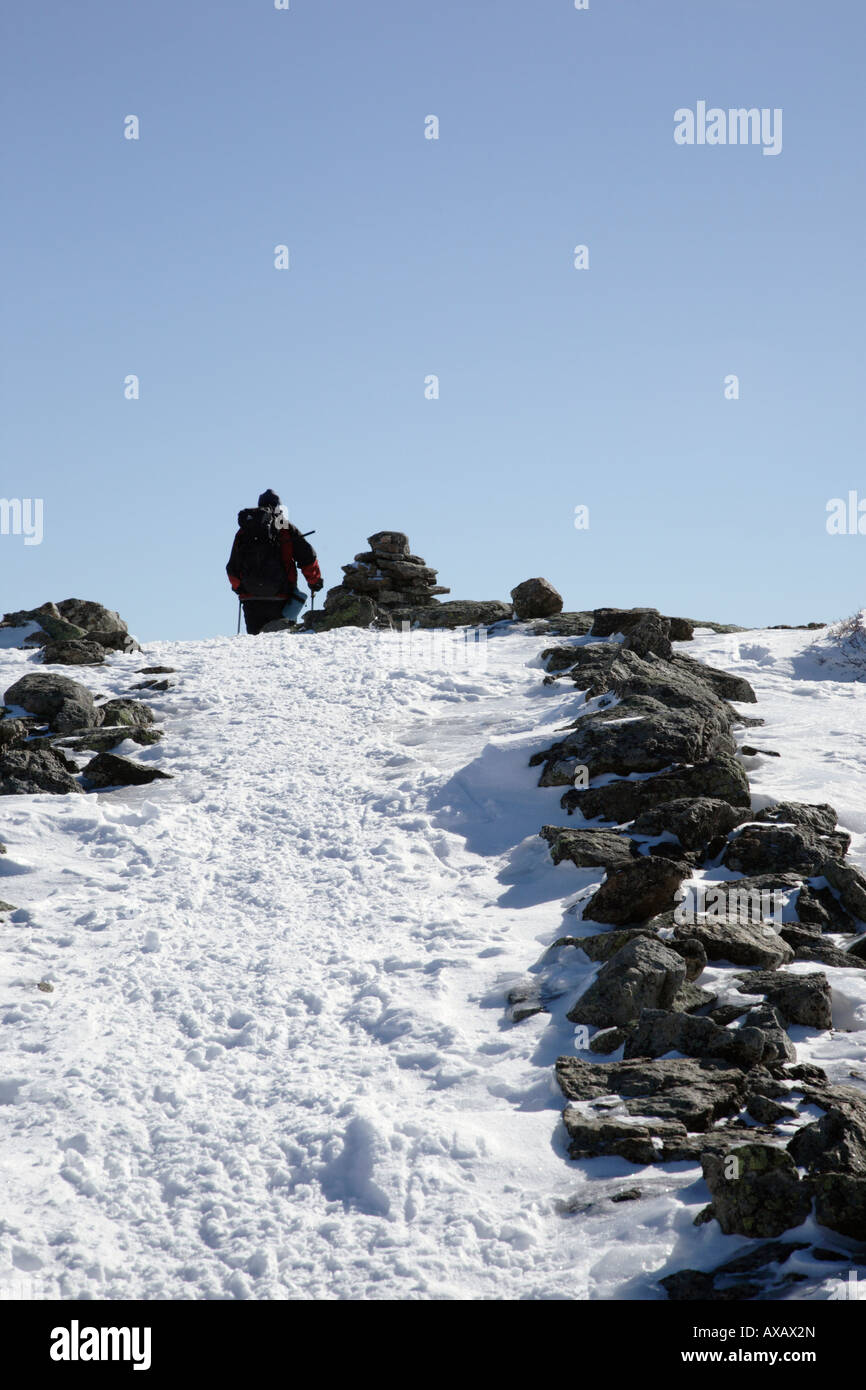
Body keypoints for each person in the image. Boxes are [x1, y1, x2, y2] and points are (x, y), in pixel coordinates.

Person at [227, 489, 323, 634]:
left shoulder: (244, 531)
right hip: (281, 597)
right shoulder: (285, 527)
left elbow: (233, 565)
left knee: (254, 644)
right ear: (279, 507)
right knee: (280, 643)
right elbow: (307, 557)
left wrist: (238, 587)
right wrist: (314, 582)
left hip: (250, 598)